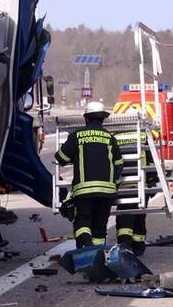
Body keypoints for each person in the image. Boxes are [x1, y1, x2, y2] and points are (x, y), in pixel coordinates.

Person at [55, 101, 123, 248]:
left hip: (84, 191)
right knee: (100, 226)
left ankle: (85, 249)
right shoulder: (110, 138)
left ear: (86, 118)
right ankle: (97, 257)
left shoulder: (76, 136)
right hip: (107, 192)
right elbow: (118, 164)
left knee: (82, 223)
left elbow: (60, 158)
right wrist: (114, 184)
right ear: (103, 119)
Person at [114, 130, 155, 256]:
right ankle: (138, 247)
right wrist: (153, 180)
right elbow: (152, 160)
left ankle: (124, 246)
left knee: (124, 217)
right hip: (140, 185)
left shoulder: (115, 136)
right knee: (139, 217)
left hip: (122, 185)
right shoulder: (143, 136)